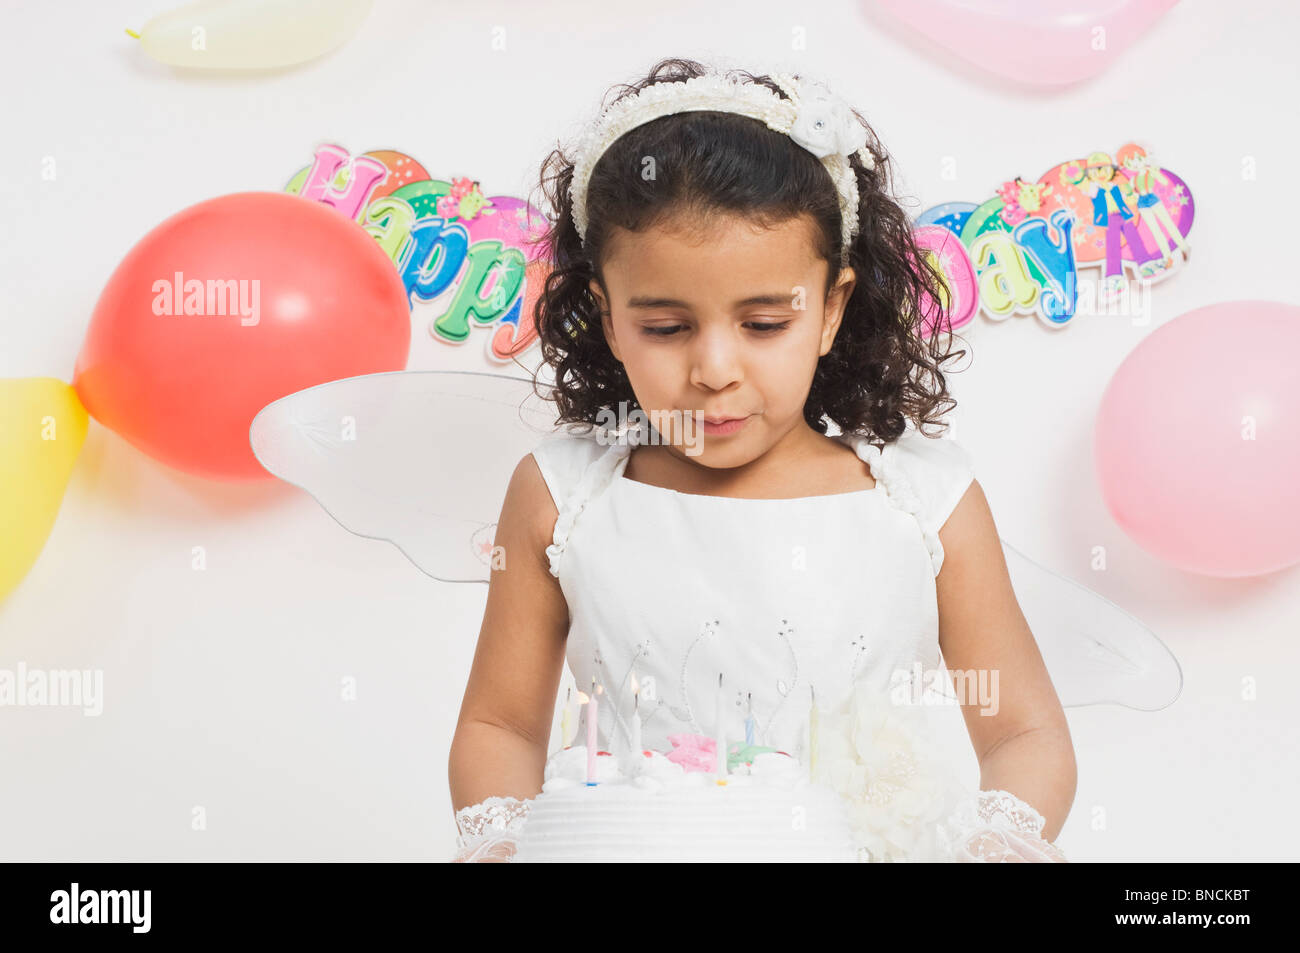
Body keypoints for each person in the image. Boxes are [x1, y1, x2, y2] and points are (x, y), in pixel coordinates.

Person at [447, 57, 1074, 863]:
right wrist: (500, 844)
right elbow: (500, 722)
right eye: (667, 327)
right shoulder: (562, 494)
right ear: (605, 317)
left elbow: (1025, 730)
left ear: (832, 307)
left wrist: (995, 844)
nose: (714, 369)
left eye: (765, 323)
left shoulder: (926, 498)